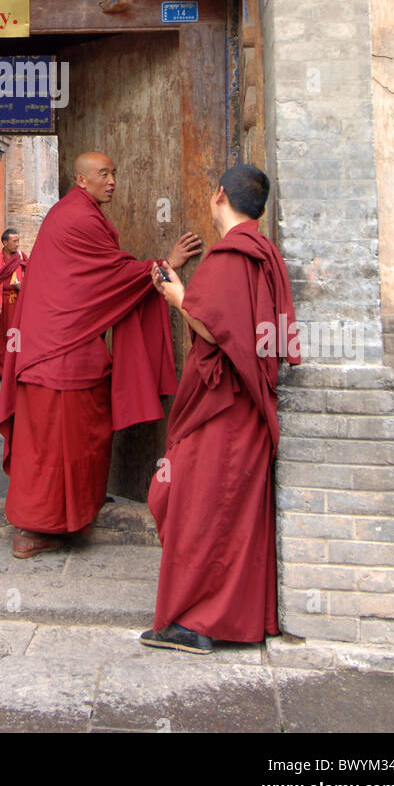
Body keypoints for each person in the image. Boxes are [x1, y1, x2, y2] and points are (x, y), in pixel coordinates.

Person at [0, 150, 203, 559]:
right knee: (52, 449)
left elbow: (93, 278)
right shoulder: (79, 218)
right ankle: (33, 528)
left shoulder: (75, 214)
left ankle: (75, 511)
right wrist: (166, 265)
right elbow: (111, 275)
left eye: (113, 174)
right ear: (81, 180)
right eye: (103, 174)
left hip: (62, 348)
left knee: (72, 443)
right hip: (58, 353)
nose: (111, 181)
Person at [141, 164, 300, 653]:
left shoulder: (231, 255)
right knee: (228, 512)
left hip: (224, 409)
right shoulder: (264, 252)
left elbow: (217, 329)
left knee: (192, 504)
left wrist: (176, 295)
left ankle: (196, 623)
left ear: (218, 197)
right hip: (245, 405)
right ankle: (219, 620)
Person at [0, 228, 28, 380]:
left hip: (17, 302)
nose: (17, 244)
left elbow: (30, 275)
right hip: (1, 303)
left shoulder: (22, 257)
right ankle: (2, 370)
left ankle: (15, 368)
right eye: (14, 241)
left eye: (18, 241)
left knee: (15, 335)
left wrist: (22, 285)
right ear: (5, 243)